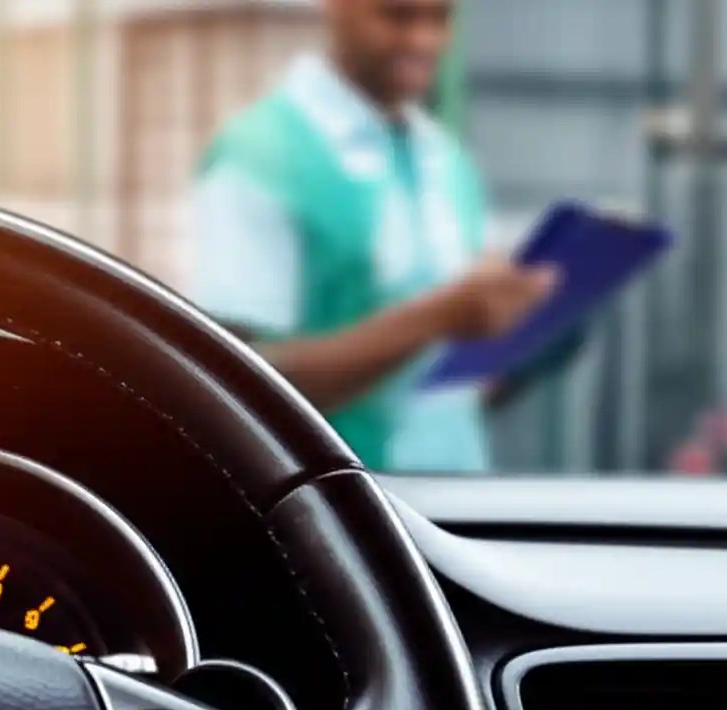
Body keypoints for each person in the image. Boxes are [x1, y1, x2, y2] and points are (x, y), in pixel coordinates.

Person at [192, 0, 555, 473]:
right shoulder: (260, 154)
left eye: (439, 20)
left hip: (459, 500)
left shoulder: (445, 159)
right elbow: (239, 388)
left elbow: (462, 381)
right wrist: (439, 316)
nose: (422, 42)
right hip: (339, 519)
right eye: (398, 16)